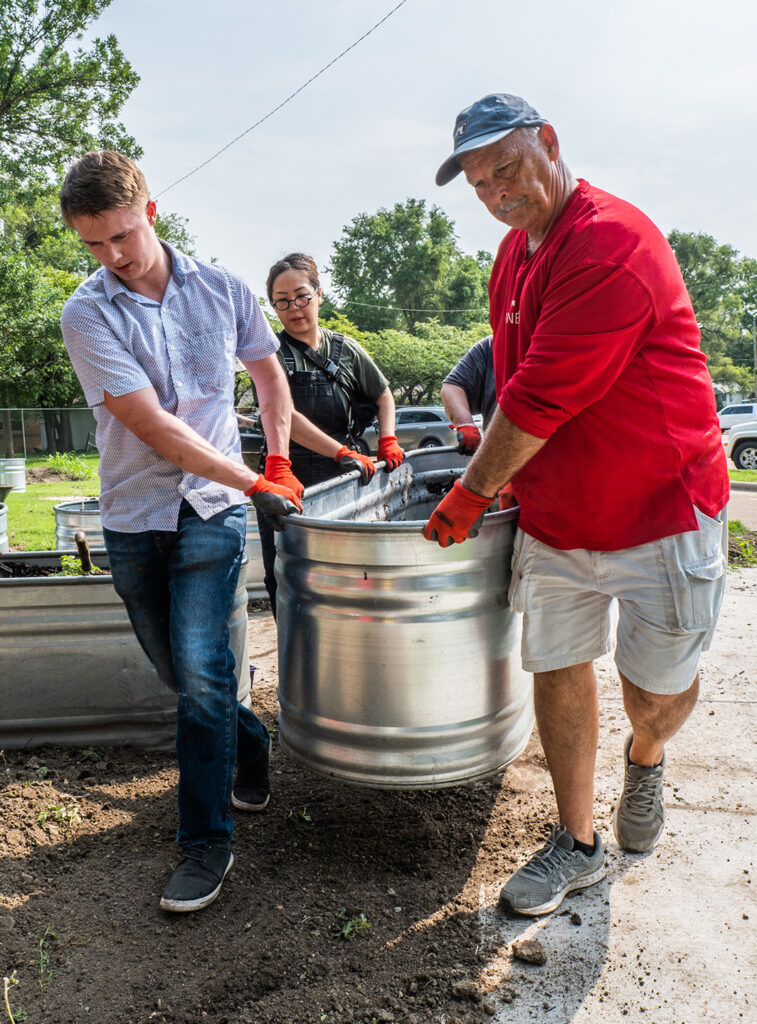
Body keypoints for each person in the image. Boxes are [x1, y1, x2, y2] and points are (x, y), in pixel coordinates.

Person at [425, 94, 729, 917]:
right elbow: (506, 377)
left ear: (550, 144)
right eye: (478, 182)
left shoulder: (610, 243)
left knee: (652, 692)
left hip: (659, 510)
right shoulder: (511, 256)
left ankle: (647, 754)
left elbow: (534, 399)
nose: (494, 192)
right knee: (555, 666)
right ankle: (576, 840)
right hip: (558, 518)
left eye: (507, 169)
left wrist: (472, 491)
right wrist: (506, 484)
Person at [59, 150, 302, 914]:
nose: (112, 256)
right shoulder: (86, 311)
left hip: (211, 514)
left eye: (122, 236)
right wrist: (254, 481)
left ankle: (205, 842)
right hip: (134, 515)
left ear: (151, 213)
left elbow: (267, 375)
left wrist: (280, 458)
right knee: (183, 678)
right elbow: (148, 423)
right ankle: (253, 745)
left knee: (201, 682)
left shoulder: (224, 289)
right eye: (93, 244)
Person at [258, 252, 404, 613]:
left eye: (302, 296)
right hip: (288, 479)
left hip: (344, 480)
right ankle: (296, 664)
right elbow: (283, 415)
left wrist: (388, 438)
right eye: (282, 301)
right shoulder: (268, 353)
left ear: (319, 294)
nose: (294, 307)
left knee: (349, 574)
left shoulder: (347, 350)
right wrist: (339, 450)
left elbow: (383, 394)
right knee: (286, 576)